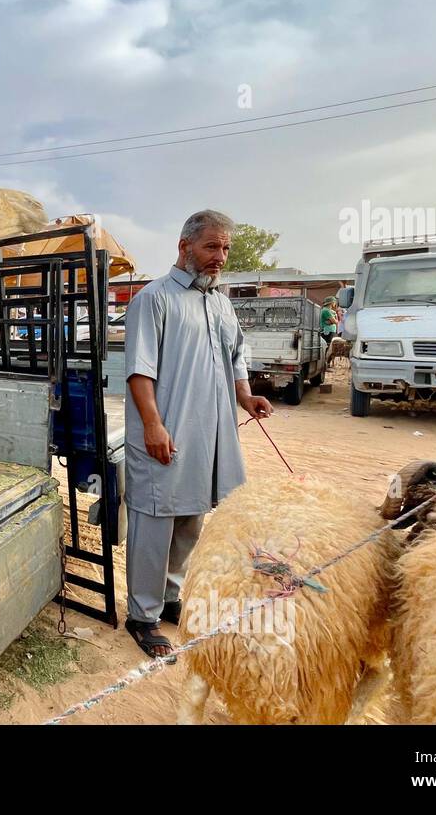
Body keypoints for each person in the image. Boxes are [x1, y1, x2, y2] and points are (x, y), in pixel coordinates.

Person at [122, 209, 274, 658]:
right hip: (165, 431)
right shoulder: (153, 299)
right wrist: (152, 424)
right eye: (212, 246)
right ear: (184, 246)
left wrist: (245, 397)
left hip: (210, 433)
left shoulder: (222, 303)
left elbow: (236, 356)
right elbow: (139, 369)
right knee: (155, 522)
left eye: (225, 248)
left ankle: (170, 599)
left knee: (191, 519)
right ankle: (142, 616)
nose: (220, 257)